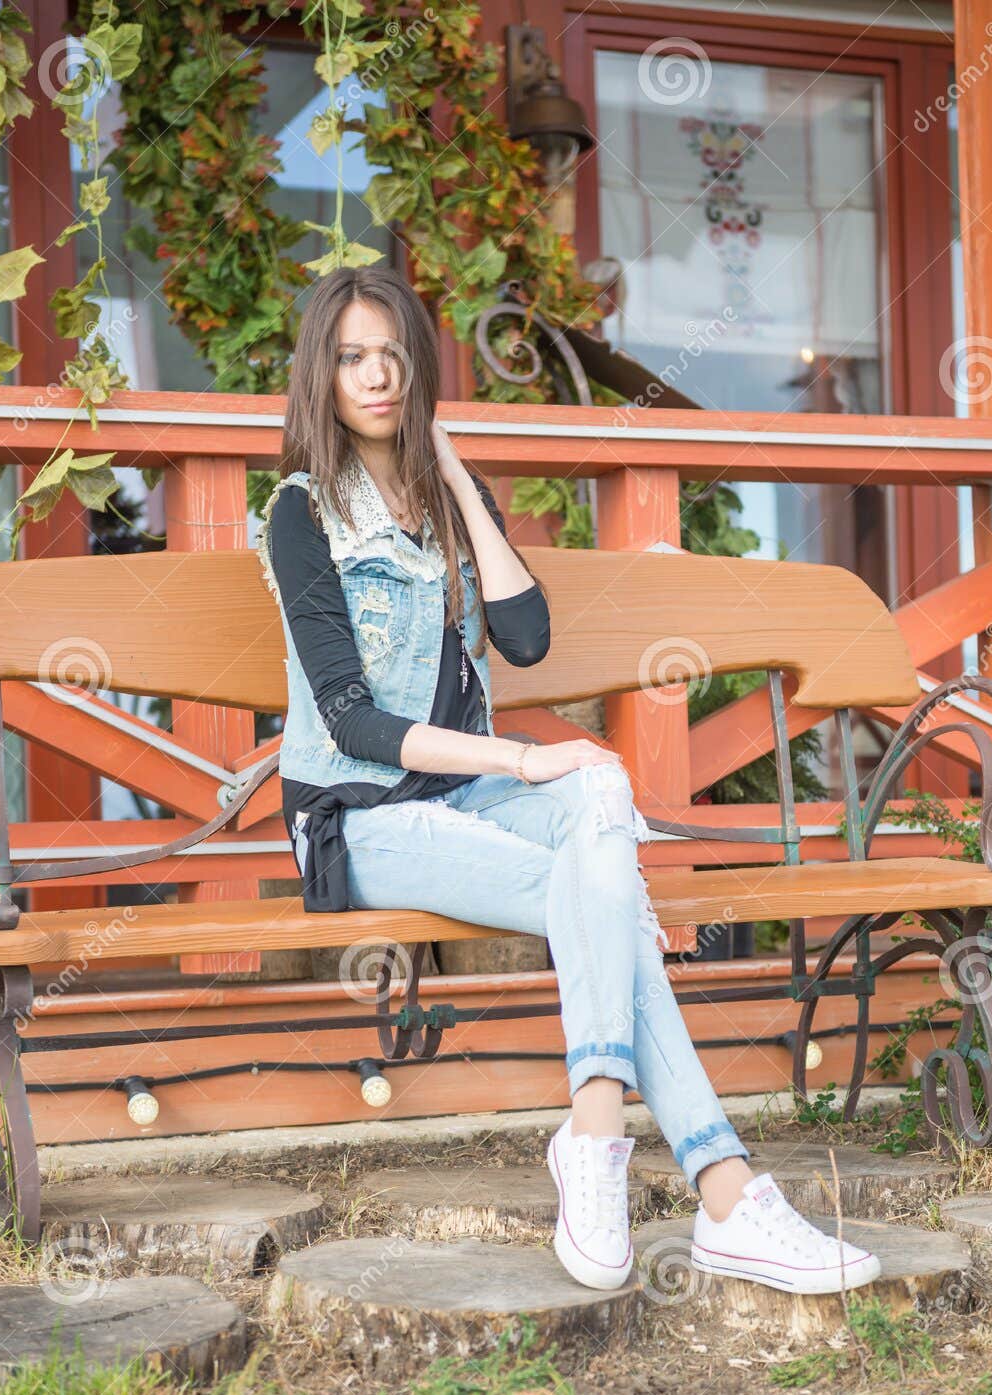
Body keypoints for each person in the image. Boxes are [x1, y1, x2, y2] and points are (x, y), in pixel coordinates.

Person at [256, 266, 881, 1300]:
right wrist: (523, 758)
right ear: (319, 373)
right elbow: (354, 720)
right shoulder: (303, 513)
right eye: (351, 356)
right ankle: (725, 1191)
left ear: (419, 369)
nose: (375, 376)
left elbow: (529, 637)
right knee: (600, 888)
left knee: (601, 796)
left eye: (393, 355)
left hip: (459, 802)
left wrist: (454, 481)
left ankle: (596, 1131)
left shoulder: (450, 500)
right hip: (356, 816)